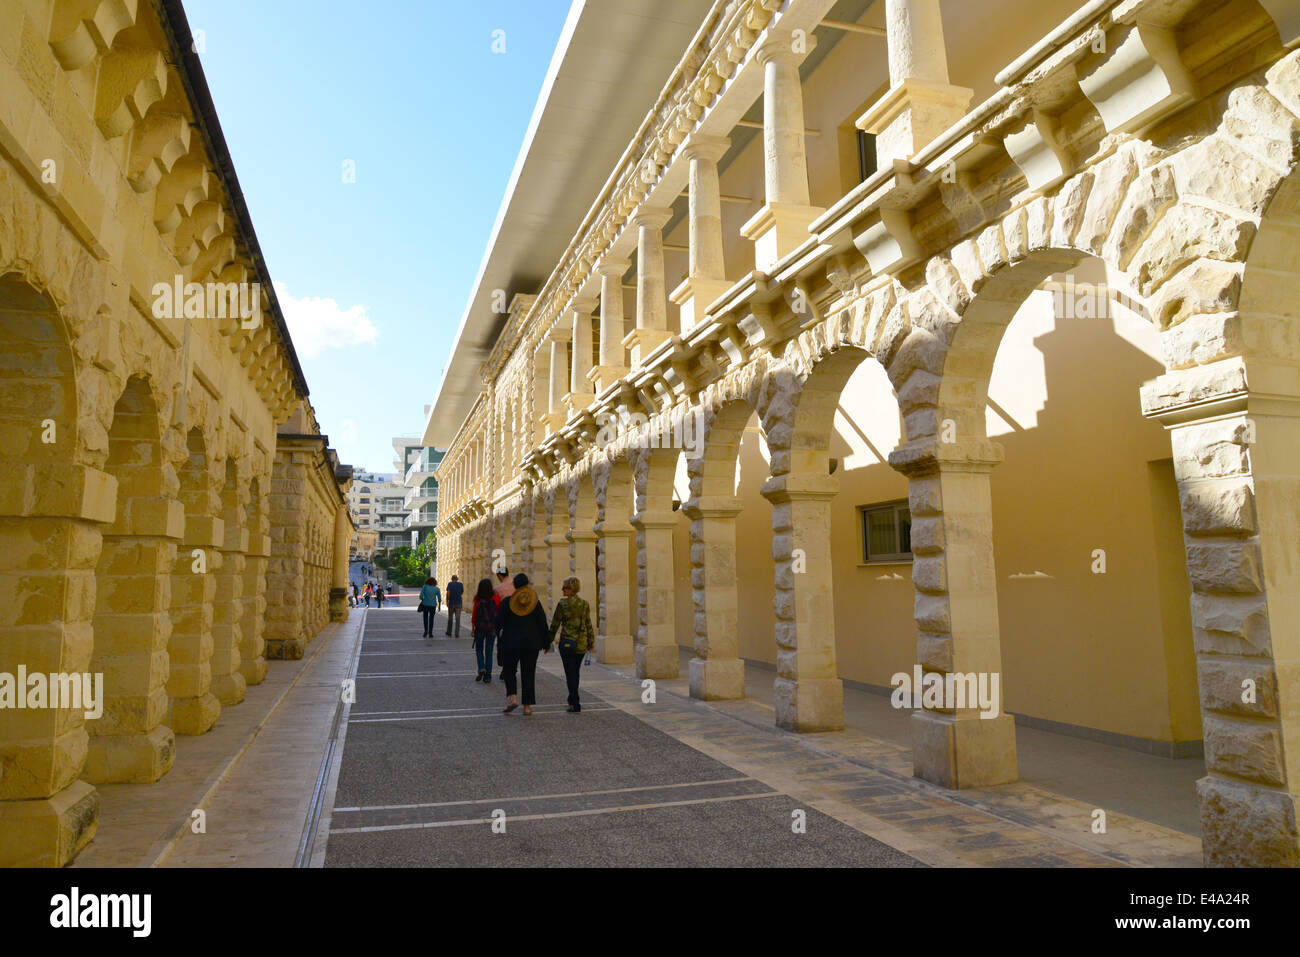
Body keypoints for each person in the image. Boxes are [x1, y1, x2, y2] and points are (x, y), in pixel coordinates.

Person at [495, 572, 550, 715]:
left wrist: (498, 637)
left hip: (510, 642)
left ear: (514, 585)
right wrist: (546, 642)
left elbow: (498, 622)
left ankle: (512, 698)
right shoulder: (534, 603)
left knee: (509, 670)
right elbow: (542, 623)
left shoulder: (507, 602)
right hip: (531, 643)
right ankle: (527, 707)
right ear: (526, 585)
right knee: (528, 673)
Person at [549, 577, 595, 713]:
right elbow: (588, 624)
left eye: (565, 587)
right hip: (581, 644)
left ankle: (575, 702)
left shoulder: (563, 604)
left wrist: (548, 641)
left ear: (572, 589)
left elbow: (555, 624)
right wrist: (591, 643)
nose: (562, 590)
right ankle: (571, 698)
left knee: (570, 674)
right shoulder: (584, 604)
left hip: (567, 644)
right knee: (575, 672)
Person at [470, 578, 496, 683]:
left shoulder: (477, 599)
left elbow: (474, 615)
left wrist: (472, 629)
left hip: (480, 628)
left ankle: (481, 667)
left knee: (479, 649)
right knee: (489, 652)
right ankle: (488, 676)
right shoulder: (495, 598)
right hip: (491, 628)